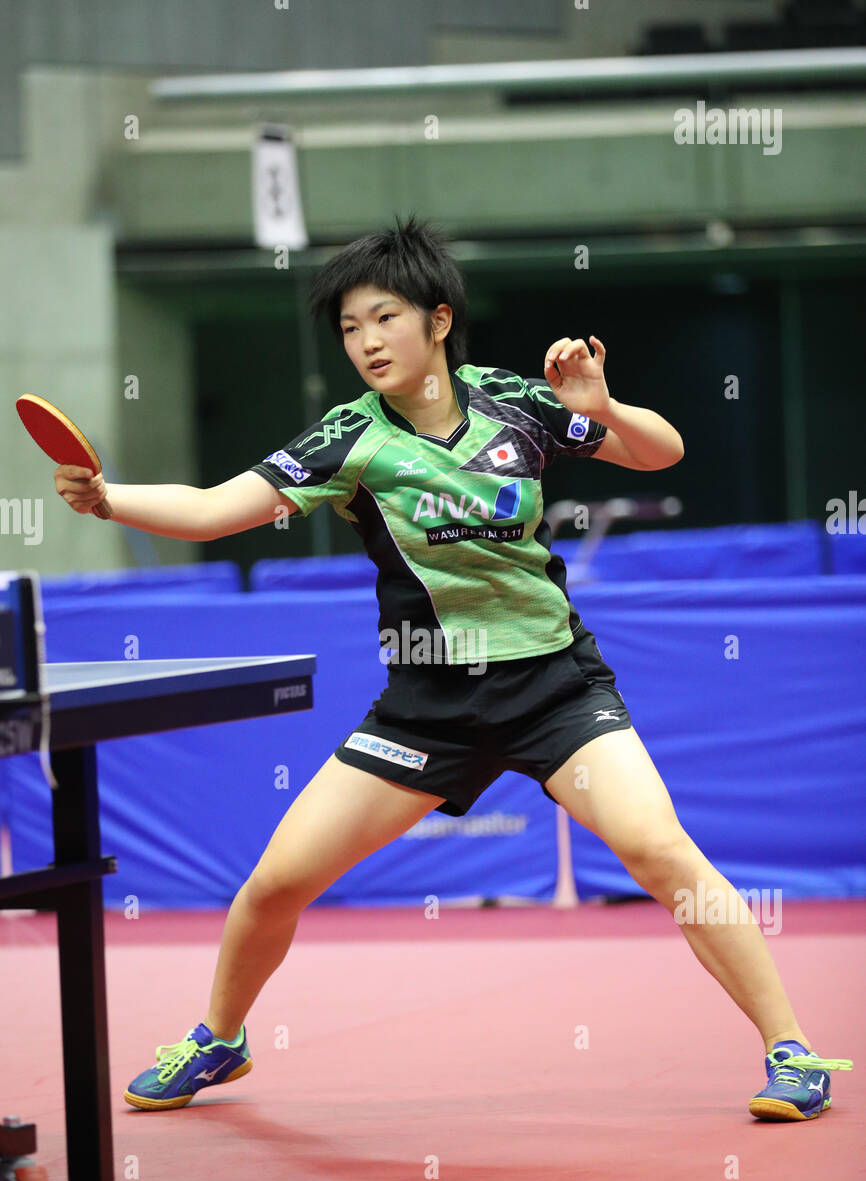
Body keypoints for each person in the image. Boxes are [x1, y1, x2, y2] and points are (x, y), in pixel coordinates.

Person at [54, 216, 851, 1121]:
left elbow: (661, 451)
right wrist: (109, 498)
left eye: (382, 318)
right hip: (424, 706)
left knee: (661, 850)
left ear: (437, 319)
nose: (364, 343)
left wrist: (603, 408)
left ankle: (793, 1053)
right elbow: (208, 510)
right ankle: (221, 1039)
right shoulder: (348, 439)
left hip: (554, 688)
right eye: (349, 328)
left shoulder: (518, 402)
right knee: (274, 883)